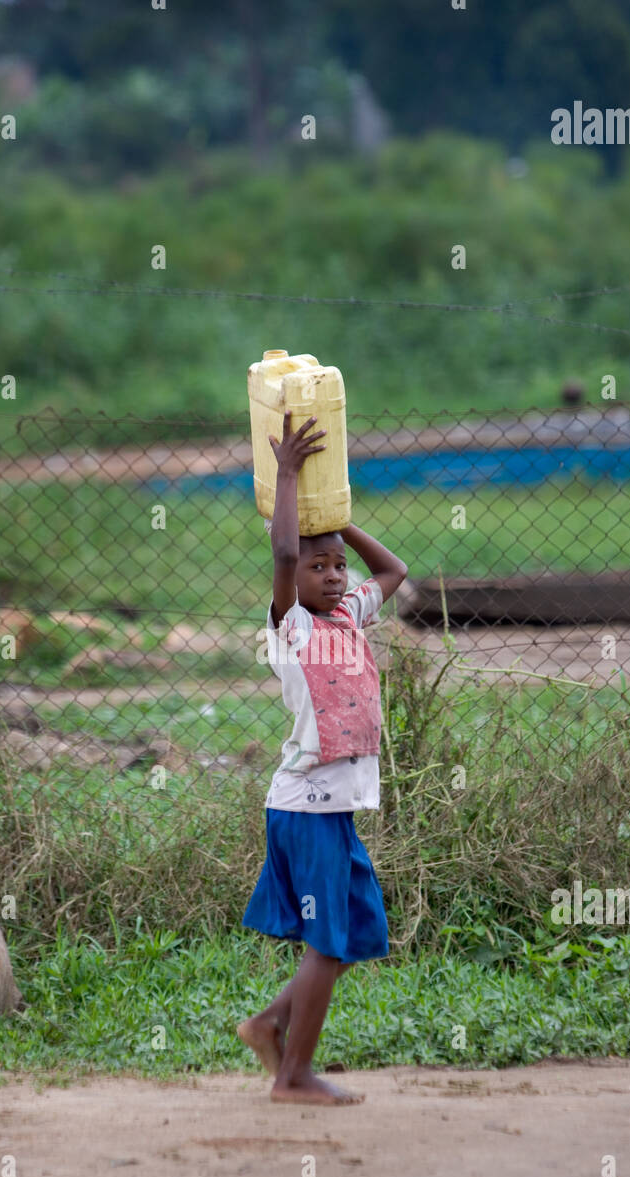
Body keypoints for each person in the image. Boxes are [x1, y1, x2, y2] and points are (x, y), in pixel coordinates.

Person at [237, 410, 408, 1105]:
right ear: (296, 579)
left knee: (352, 933)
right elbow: (281, 554)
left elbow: (393, 570)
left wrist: (337, 515)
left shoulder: (348, 614)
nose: (335, 576)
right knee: (327, 941)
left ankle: (268, 1026)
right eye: (321, 566)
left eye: (339, 566)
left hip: (335, 811)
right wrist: (285, 477)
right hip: (306, 807)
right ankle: (294, 1076)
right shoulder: (292, 627)